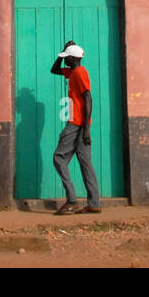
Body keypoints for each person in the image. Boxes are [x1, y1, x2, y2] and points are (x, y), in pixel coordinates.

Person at [49, 40, 101, 215]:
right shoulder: (73, 72)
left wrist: (85, 128)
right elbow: (54, 69)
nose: (64, 60)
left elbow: (88, 98)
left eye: (66, 58)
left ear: (73, 58)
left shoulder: (79, 73)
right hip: (82, 125)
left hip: (76, 124)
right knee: (86, 163)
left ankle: (72, 200)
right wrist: (62, 51)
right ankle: (94, 203)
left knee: (59, 158)